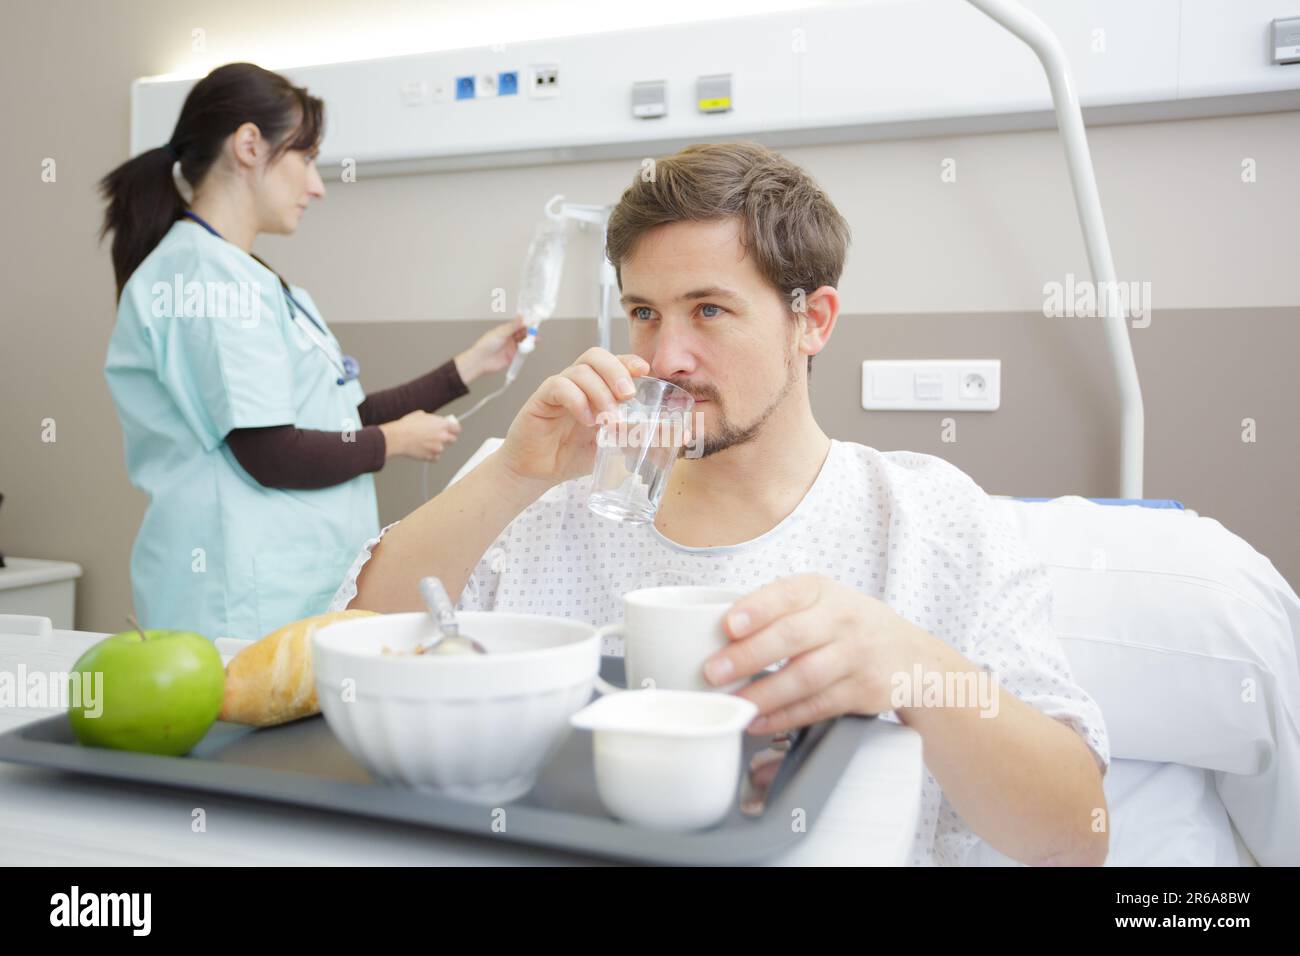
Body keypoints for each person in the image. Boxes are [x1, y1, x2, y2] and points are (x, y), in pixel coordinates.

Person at [329, 141, 1110, 866]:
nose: (665, 358)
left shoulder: (927, 521)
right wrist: (512, 478)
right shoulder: (548, 503)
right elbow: (348, 656)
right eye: (644, 313)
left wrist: (911, 669)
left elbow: (1076, 835)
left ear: (813, 320)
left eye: (708, 310)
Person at [99, 62, 524, 642]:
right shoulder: (203, 280)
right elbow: (269, 451)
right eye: (305, 157)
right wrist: (396, 443)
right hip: (236, 599)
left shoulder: (256, 282)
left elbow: (341, 417)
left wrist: (471, 365)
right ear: (249, 146)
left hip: (289, 589)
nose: (317, 185)